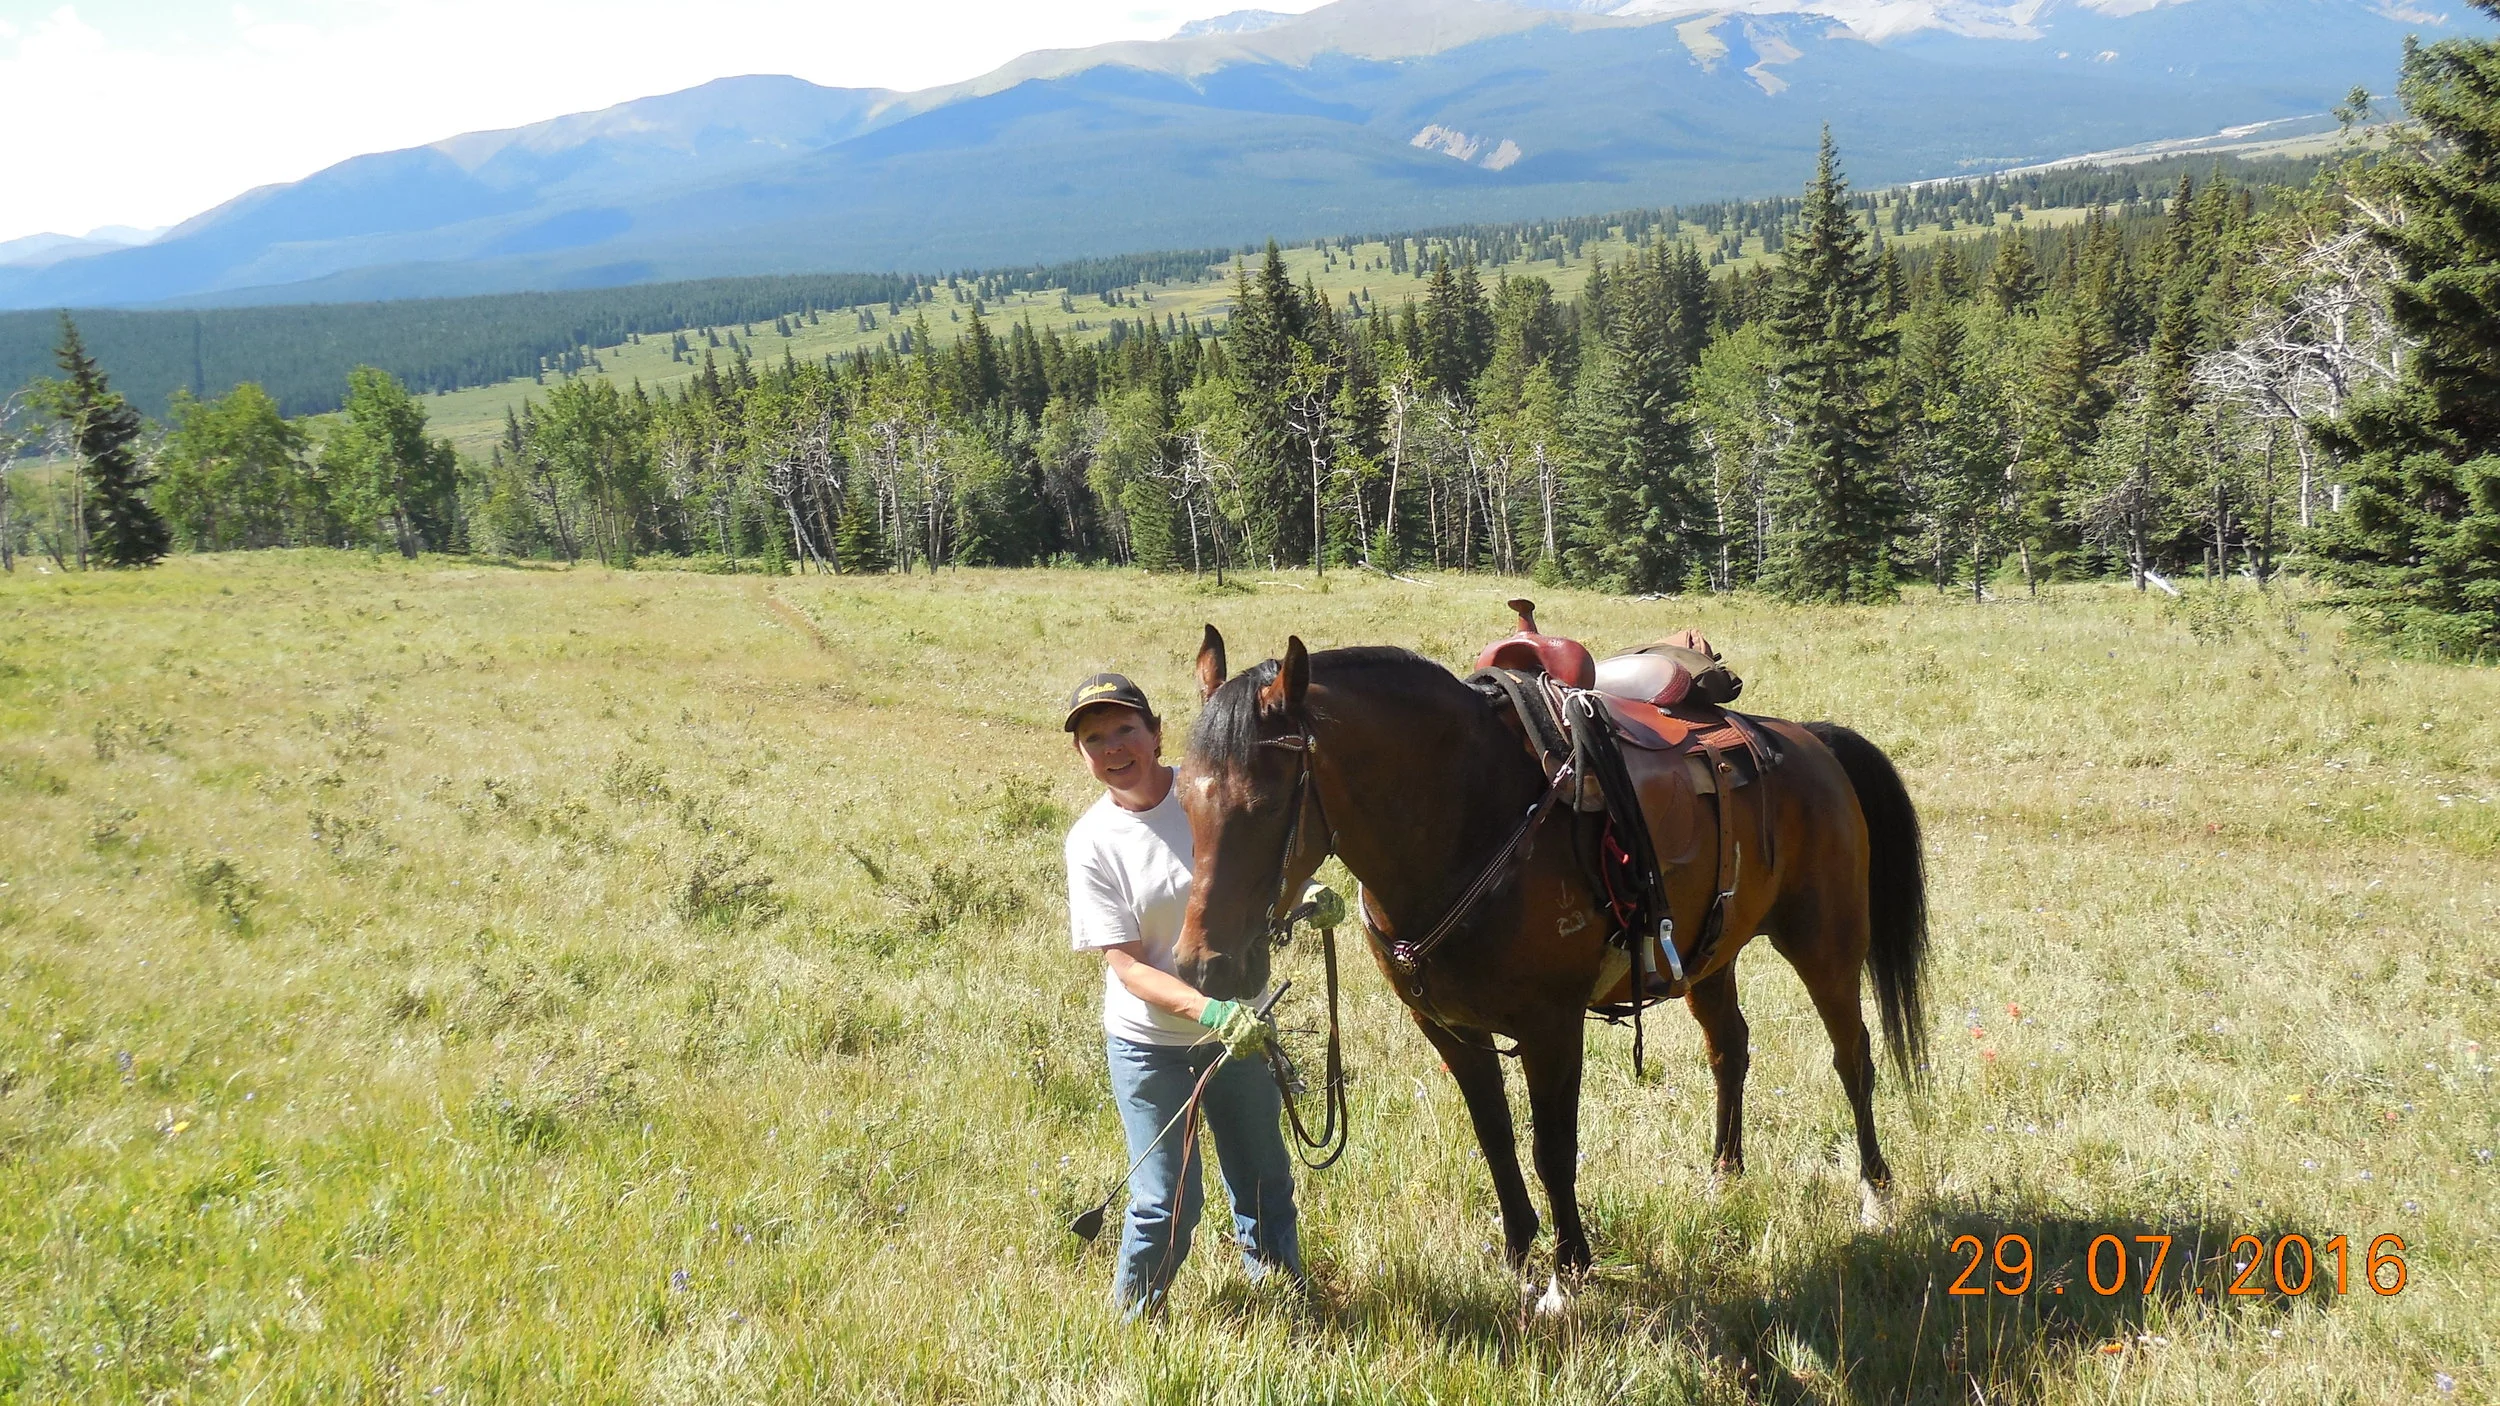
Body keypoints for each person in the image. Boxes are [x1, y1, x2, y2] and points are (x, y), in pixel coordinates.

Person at [1061, 671, 1303, 1316]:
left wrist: (1306, 896)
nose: (1113, 748)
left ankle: (1284, 1304)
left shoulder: (1207, 792)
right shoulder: (1091, 842)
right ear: (1081, 754)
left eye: (1125, 729)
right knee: (1163, 1201)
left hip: (1239, 1037)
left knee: (1264, 1182)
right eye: (1094, 739)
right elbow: (1127, 966)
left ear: (1156, 732)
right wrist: (1211, 1012)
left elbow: (1252, 875)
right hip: (1151, 1047)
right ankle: (1136, 1323)